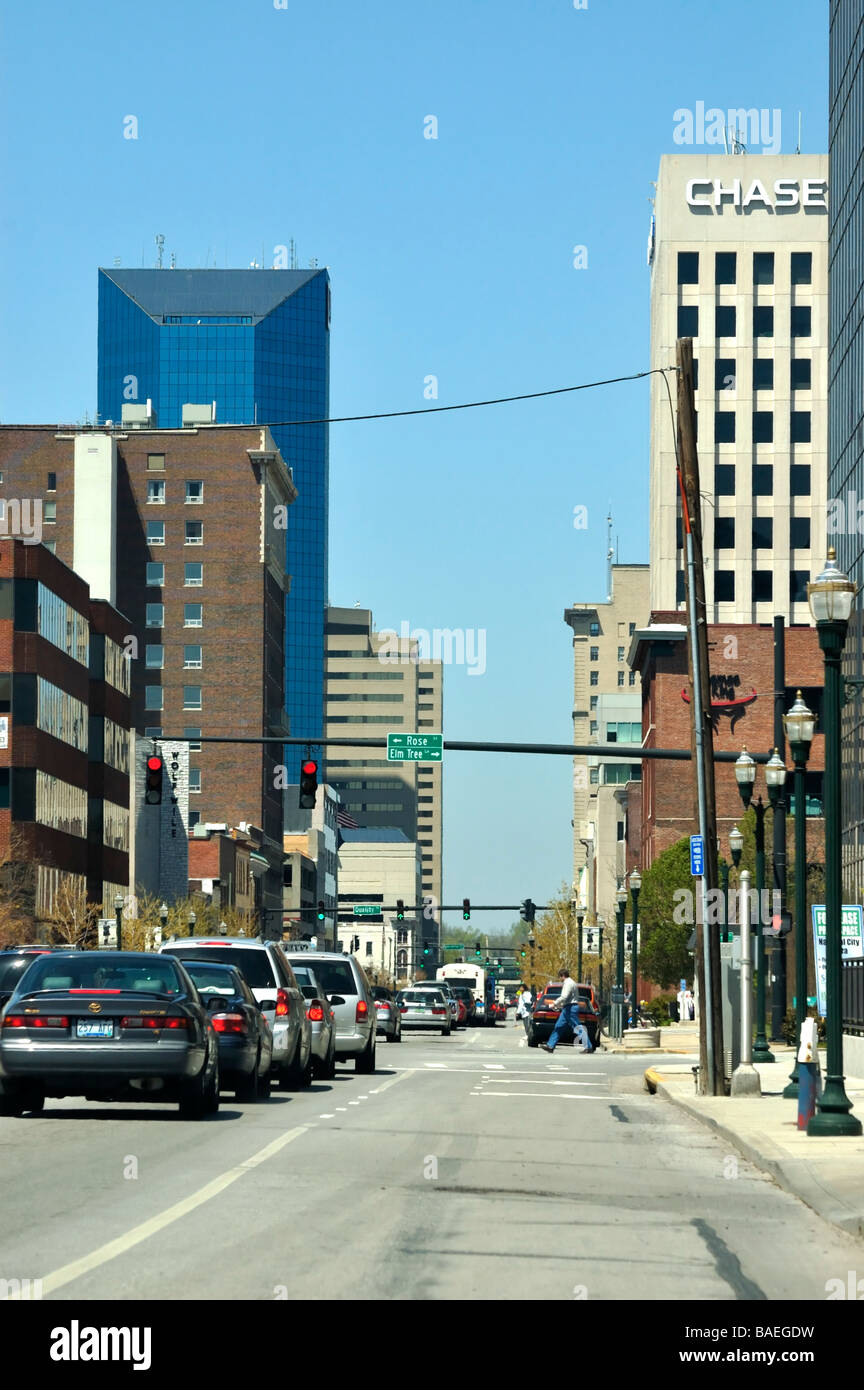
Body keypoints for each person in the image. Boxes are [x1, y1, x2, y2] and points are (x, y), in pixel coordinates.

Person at [541, 969, 592, 1053]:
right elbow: (568, 998)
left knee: (577, 1027)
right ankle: (550, 1045)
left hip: (570, 1008)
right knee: (559, 1026)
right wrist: (559, 1005)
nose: (560, 979)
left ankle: (588, 1046)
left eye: (560, 977)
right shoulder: (572, 982)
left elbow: (564, 996)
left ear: (562, 976)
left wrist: (554, 1003)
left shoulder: (568, 983)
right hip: (568, 1007)